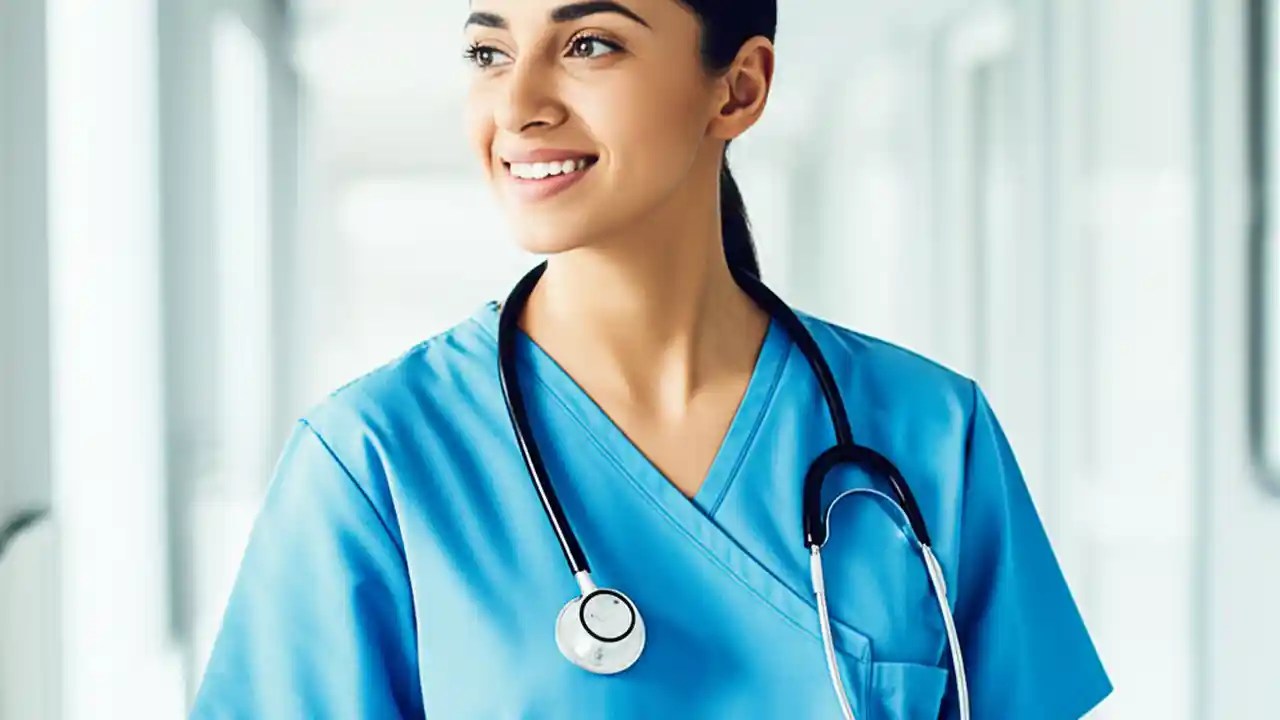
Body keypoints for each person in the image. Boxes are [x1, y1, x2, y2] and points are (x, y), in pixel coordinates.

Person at [191, 1, 1113, 717]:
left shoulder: (928, 433)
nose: (518, 104)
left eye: (590, 43)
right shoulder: (375, 459)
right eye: (488, 51)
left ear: (739, 89)